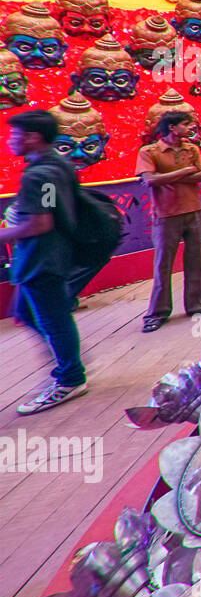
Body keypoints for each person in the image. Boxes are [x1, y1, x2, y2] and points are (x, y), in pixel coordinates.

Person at [1, 111, 88, 414]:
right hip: (53, 254)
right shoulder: (58, 165)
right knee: (27, 312)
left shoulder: (39, 175)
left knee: (53, 319)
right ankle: (68, 356)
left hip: (42, 258)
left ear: (33, 137)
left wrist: (4, 234)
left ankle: (69, 377)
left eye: (15, 134)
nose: (10, 140)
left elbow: (40, 223)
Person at [136, 110, 201, 333]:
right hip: (166, 215)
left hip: (194, 210)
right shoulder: (149, 151)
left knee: (198, 261)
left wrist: (170, 177)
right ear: (172, 127)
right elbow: (149, 180)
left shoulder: (192, 148)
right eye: (186, 124)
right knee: (163, 265)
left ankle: (200, 303)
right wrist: (187, 171)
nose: (190, 128)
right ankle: (158, 312)